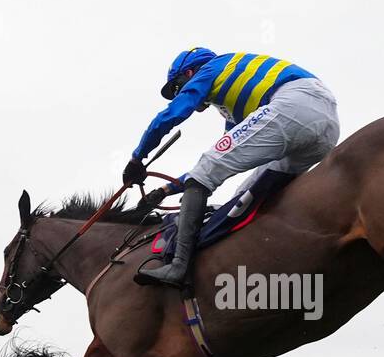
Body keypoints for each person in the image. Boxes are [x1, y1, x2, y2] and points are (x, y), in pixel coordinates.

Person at [122, 47, 340, 288]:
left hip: (293, 105)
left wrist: (137, 158)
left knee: (208, 169)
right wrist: (164, 190)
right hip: (325, 127)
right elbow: (221, 159)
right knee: (242, 199)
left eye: (178, 87)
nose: (179, 94)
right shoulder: (233, 104)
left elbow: (172, 115)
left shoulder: (210, 69)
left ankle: (178, 267)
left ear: (190, 72)